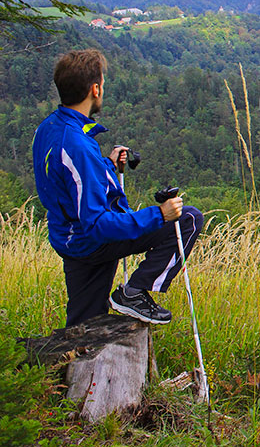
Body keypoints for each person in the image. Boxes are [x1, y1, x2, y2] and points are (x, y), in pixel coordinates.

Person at [32, 49, 204, 327]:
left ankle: (71, 366)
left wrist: (108, 166)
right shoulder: (77, 145)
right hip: (93, 240)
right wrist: (160, 215)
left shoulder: (48, 128)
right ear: (95, 89)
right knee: (188, 220)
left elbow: (68, 183)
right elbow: (98, 224)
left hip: (69, 237)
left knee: (84, 324)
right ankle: (133, 293)